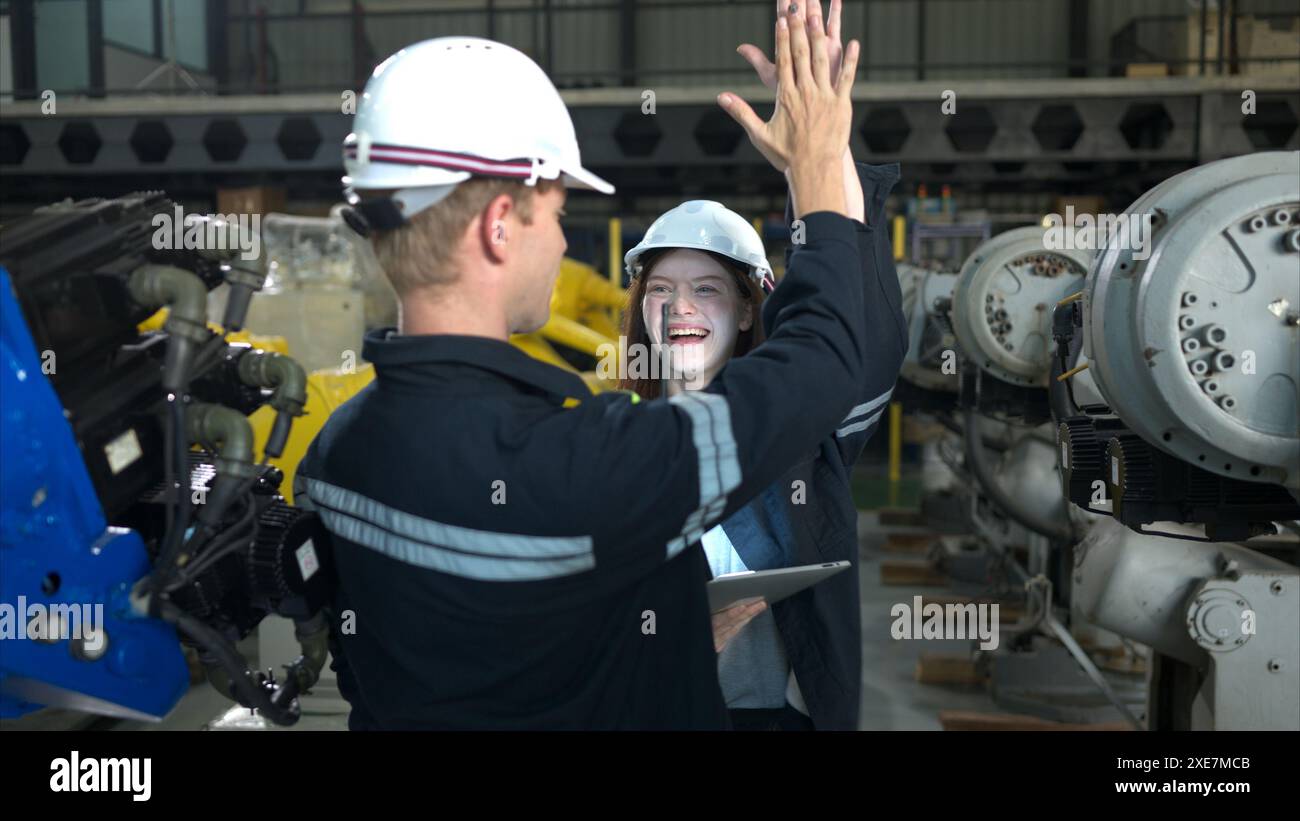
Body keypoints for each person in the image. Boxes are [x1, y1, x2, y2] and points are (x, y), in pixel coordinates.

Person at [296, 3, 872, 729]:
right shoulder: (587, 464)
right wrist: (819, 162)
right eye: (560, 212)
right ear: (498, 224)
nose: (566, 246)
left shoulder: (335, 452)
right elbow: (822, 361)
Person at [619, 9, 905, 726]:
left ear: (751, 309)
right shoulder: (613, 443)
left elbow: (859, 334)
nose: (679, 307)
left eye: (706, 288)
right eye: (660, 288)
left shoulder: (800, 435)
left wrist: (821, 157)